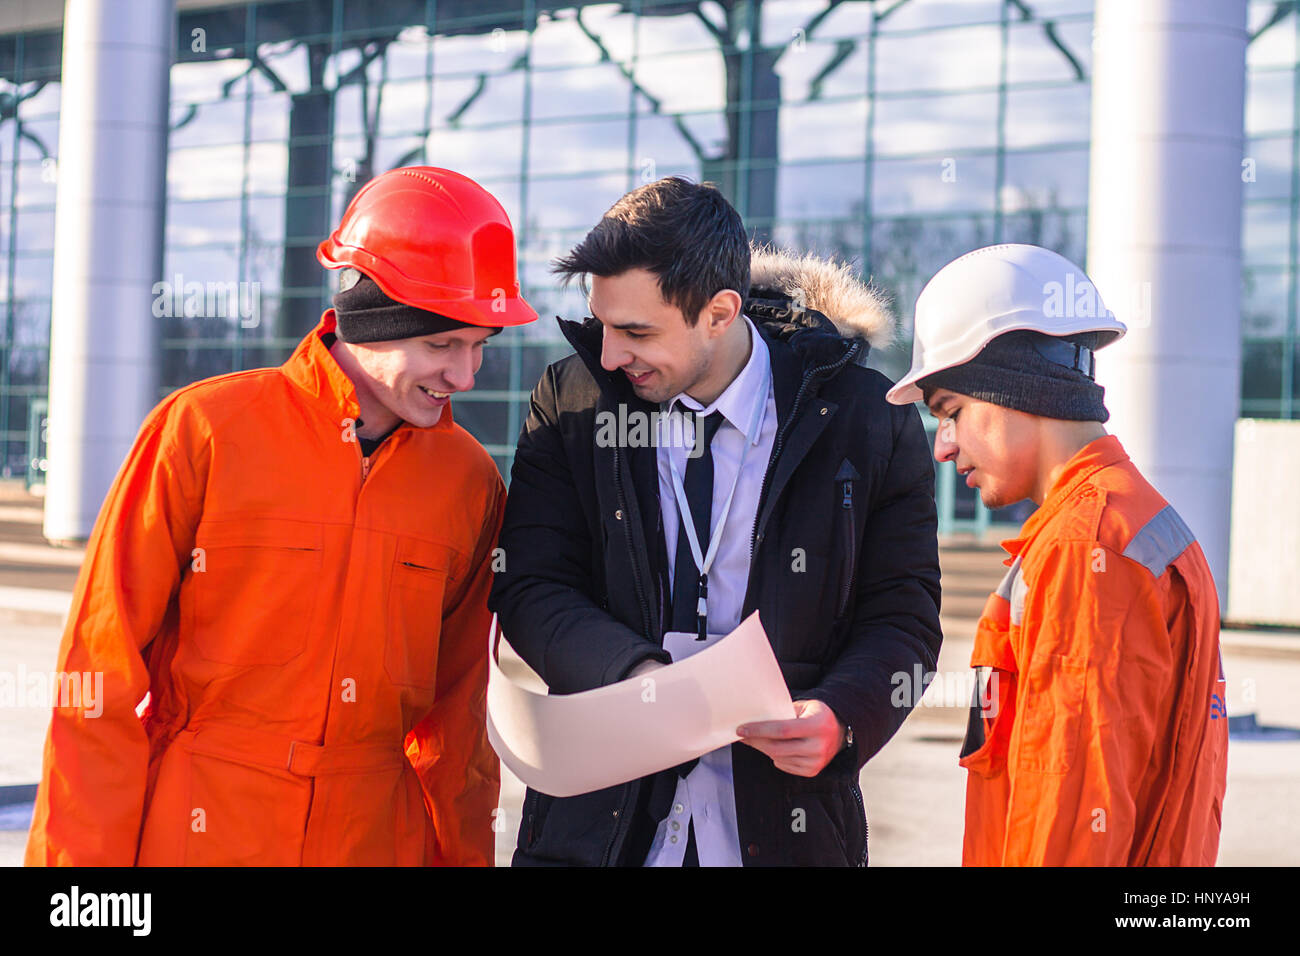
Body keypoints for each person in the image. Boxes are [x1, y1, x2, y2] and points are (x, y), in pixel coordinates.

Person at [25, 166, 537, 866]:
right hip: (204, 828)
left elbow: (458, 722)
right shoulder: (203, 430)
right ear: (372, 322)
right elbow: (98, 677)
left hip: (374, 840)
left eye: (480, 346)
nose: (465, 377)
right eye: (443, 345)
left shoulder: (468, 482)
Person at [489, 176, 942, 867]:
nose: (609, 354)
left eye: (636, 331)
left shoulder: (868, 419)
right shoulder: (573, 401)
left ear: (721, 312)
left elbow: (903, 615)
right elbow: (531, 584)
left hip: (788, 826)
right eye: (603, 322)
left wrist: (844, 718)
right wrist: (639, 676)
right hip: (599, 830)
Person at [887, 243, 1228, 866]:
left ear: (1014, 389)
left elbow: (1070, 815)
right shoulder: (1135, 521)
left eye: (952, 412)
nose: (944, 446)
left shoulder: (1084, 548)